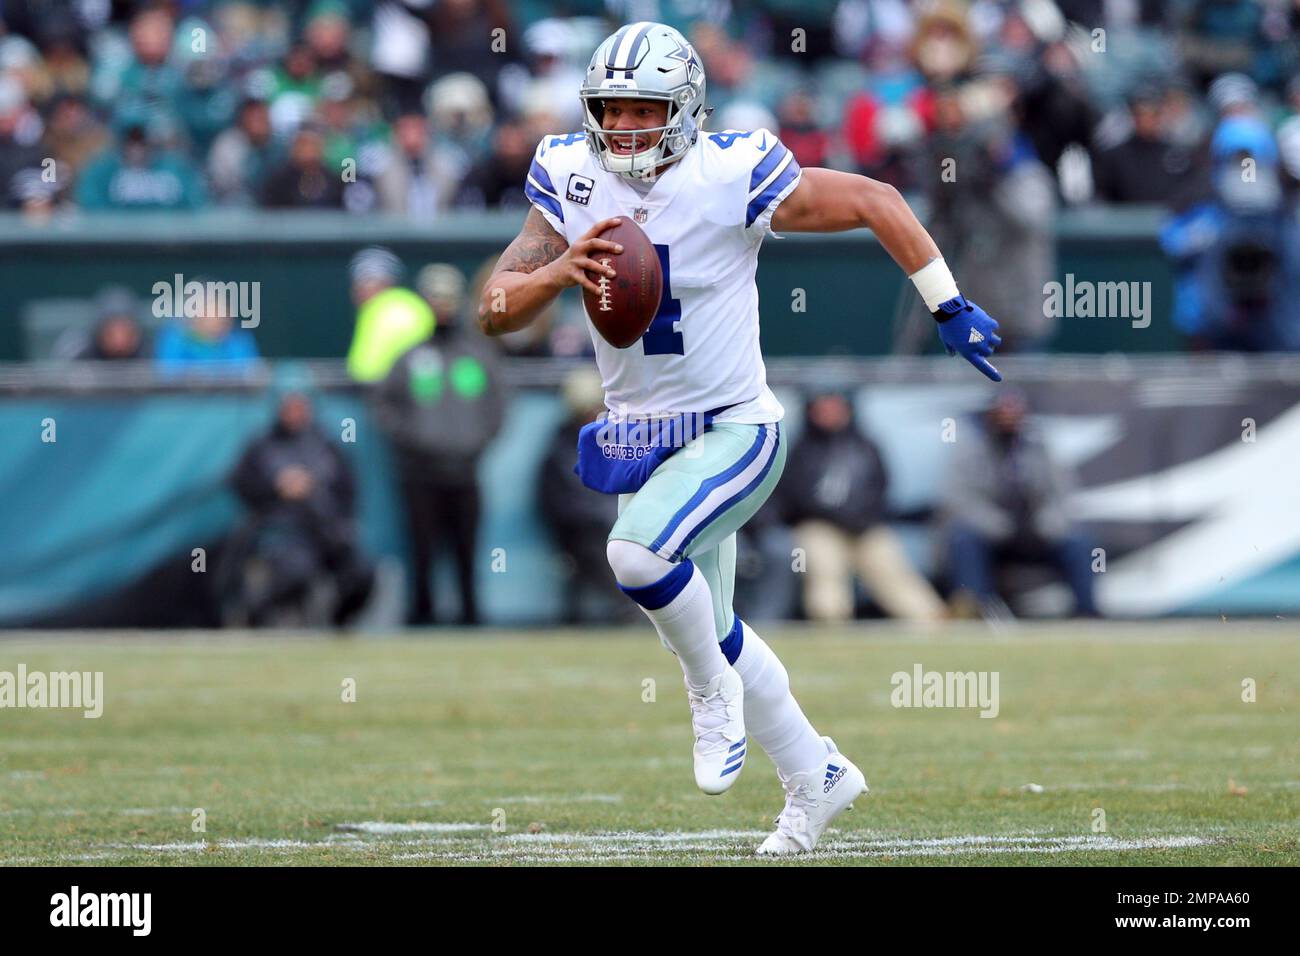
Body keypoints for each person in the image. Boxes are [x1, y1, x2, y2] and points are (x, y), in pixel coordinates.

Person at [478, 22, 1003, 856]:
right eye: (610, 112)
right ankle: (816, 776)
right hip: (644, 437)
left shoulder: (730, 171)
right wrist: (555, 270)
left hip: (735, 431)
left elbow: (877, 199)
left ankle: (707, 694)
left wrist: (946, 303)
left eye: (642, 111)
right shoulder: (571, 175)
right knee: (714, 626)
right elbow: (493, 307)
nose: (622, 130)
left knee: (639, 558)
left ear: (684, 111)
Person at [373, 263, 505, 625]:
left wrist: (476, 441)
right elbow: (385, 405)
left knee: (467, 551)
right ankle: (421, 614)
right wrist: (413, 441)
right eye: (435, 299)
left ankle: (470, 614)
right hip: (420, 473)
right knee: (422, 549)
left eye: (448, 299)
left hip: (466, 470)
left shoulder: (478, 355)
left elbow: (498, 404)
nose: (442, 307)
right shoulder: (409, 357)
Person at [781, 391, 946, 623]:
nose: (830, 412)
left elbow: (881, 489)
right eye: (823, 407)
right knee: (824, 571)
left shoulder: (866, 445)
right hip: (818, 526)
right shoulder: (801, 449)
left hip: (865, 527)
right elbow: (795, 497)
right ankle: (830, 625)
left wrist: (861, 517)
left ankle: (933, 621)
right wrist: (835, 515)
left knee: (891, 568)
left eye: (836, 406)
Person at [939, 390, 1098, 619]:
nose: (1008, 418)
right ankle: (976, 611)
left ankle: (1087, 611)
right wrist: (997, 525)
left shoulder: (1040, 447)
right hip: (992, 532)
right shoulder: (969, 447)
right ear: (990, 415)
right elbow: (956, 498)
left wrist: (1046, 523)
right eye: (1002, 411)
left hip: (1037, 531)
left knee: (1080, 541)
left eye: (1014, 411)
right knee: (963, 538)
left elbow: (1064, 494)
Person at [229, 387, 374, 627]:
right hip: (285, 533)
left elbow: (348, 490)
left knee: (362, 571)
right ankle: (256, 616)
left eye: (300, 406)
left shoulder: (327, 446)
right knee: (296, 571)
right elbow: (241, 485)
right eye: (289, 407)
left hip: (326, 531)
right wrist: (277, 486)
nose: (295, 413)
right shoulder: (262, 446)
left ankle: (338, 625)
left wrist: (339, 522)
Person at [345, 246, 434, 382]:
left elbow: (364, 372)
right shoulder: (417, 305)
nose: (362, 291)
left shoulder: (376, 311)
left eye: (370, 282)